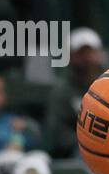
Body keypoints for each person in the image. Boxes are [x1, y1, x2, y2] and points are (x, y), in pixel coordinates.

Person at [42, 27, 105, 158]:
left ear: (100, 54)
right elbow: (57, 131)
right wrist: (91, 142)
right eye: (81, 53)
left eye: (90, 52)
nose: (87, 59)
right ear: (71, 56)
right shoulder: (61, 91)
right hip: (78, 150)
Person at [0, 72, 38, 171]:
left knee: (40, 158)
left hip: (19, 160)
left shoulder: (11, 119)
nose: (1, 96)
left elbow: (32, 143)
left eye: (2, 91)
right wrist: (3, 147)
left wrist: (25, 129)